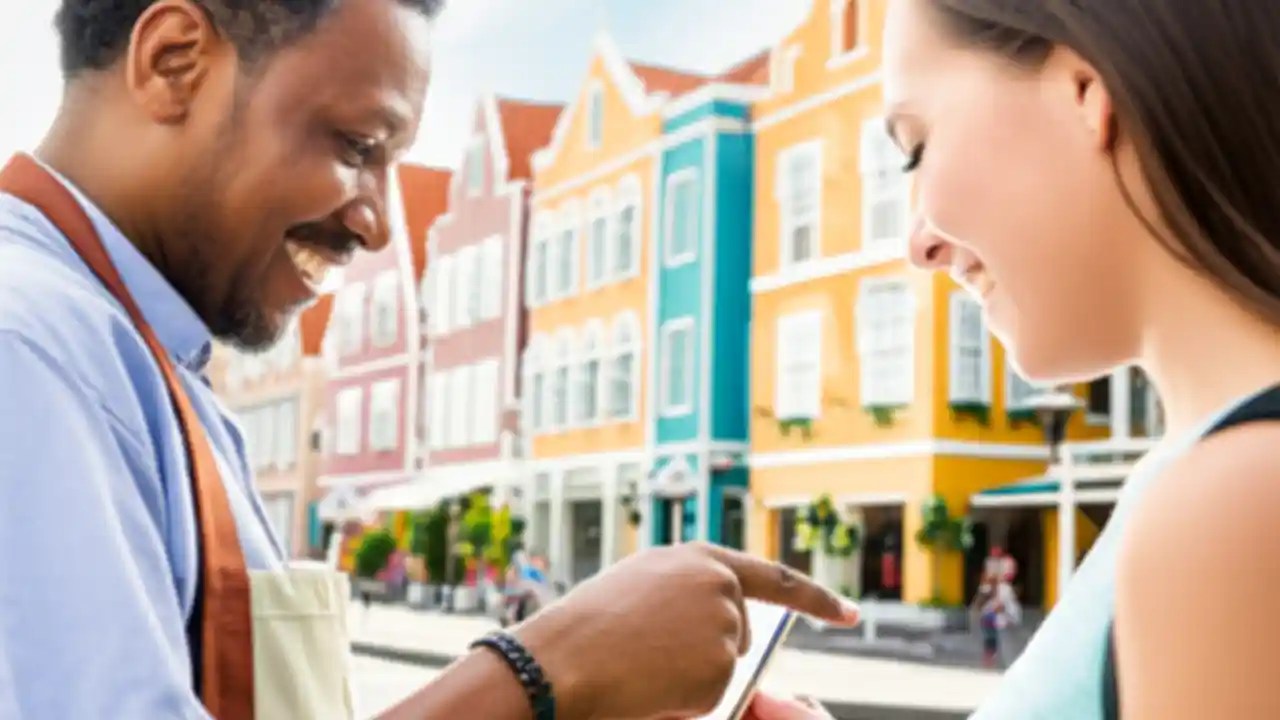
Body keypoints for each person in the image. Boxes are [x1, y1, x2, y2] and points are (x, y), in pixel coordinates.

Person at [0, 2, 860, 719]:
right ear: (173, 60)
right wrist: (545, 671)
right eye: (357, 147)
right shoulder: (30, 346)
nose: (376, 222)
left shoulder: (142, 359)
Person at [750, 0, 1280, 718]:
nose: (919, 244)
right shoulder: (1192, 481)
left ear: (1085, 93)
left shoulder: (1237, 505)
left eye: (918, 146)